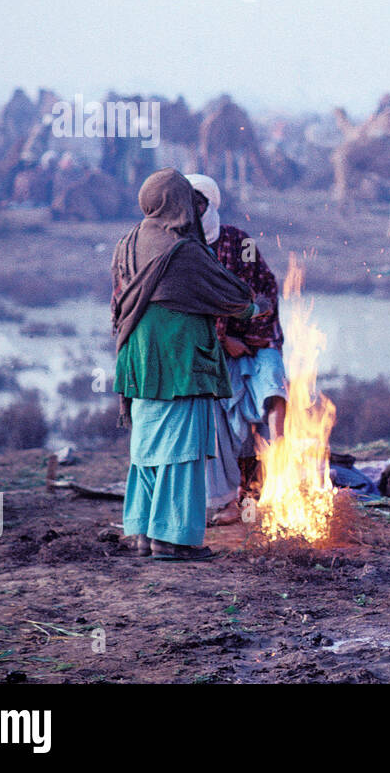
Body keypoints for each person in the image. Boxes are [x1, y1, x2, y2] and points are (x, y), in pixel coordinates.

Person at [111, 169, 270, 560]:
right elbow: (229, 293)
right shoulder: (183, 250)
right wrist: (253, 308)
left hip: (138, 358)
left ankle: (142, 534)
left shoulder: (128, 241)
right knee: (180, 451)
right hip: (179, 360)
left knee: (147, 449)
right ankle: (173, 539)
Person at [184, 174, 287, 525]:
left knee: (269, 399)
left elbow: (265, 290)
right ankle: (228, 501)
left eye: (200, 204)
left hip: (254, 344)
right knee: (222, 428)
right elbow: (190, 308)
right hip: (209, 353)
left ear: (210, 205)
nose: (195, 212)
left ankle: (265, 494)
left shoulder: (238, 241)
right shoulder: (182, 248)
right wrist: (223, 339)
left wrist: (248, 336)